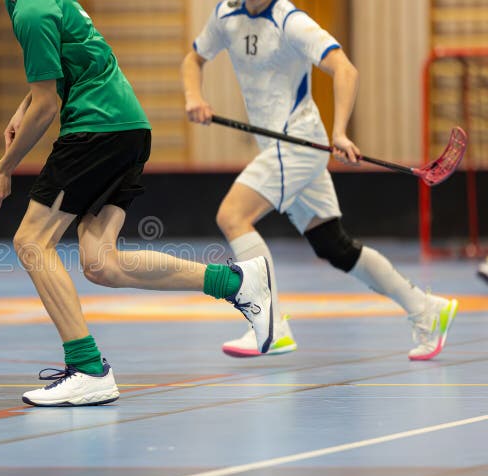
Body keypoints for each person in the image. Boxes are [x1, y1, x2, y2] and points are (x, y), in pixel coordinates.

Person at [0, 0, 273, 407]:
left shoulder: (30, 10)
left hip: (96, 128)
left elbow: (48, 104)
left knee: (31, 241)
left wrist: (3, 168)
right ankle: (236, 283)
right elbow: (72, 61)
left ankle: (87, 368)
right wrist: (24, 105)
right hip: (127, 128)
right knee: (102, 263)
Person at [182, 0, 458, 360]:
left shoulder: (290, 21)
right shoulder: (225, 15)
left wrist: (340, 132)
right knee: (334, 246)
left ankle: (271, 325)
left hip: (297, 142)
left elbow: (345, 69)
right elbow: (193, 59)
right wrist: (194, 97)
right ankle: (426, 308)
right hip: (277, 147)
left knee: (232, 216)